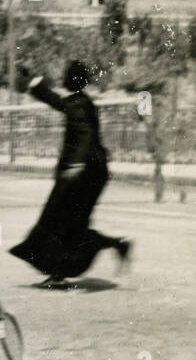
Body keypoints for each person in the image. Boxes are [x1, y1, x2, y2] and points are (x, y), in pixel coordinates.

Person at [9, 61, 130, 286]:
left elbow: (84, 134)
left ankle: (58, 273)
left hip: (84, 174)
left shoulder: (79, 105)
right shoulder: (80, 101)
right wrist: (34, 82)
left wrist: (76, 164)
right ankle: (116, 244)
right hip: (90, 173)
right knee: (71, 224)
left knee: (62, 223)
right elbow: (55, 101)